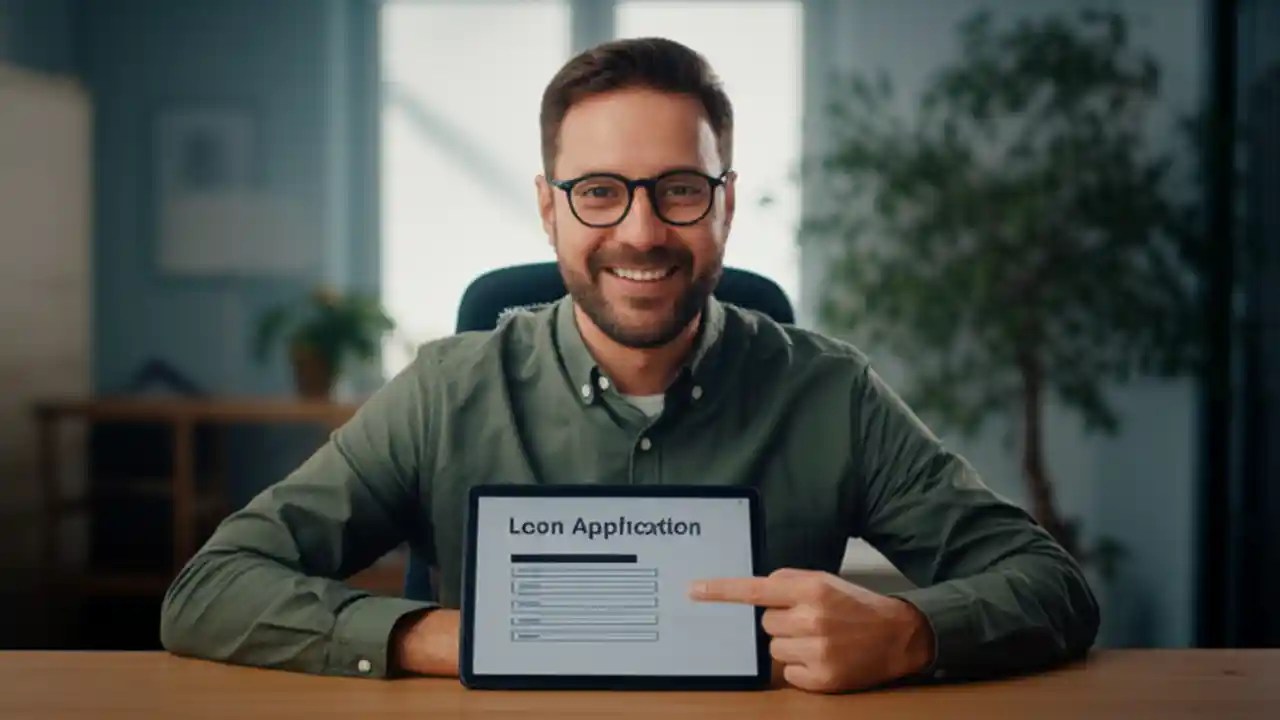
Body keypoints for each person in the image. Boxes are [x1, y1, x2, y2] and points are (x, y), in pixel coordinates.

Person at [160, 37, 1099, 694]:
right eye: (600, 193)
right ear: (549, 208)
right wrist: (444, 639)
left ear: (724, 205)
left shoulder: (832, 392)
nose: (641, 232)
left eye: (679, 191)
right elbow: (211, 589)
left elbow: (1050, 583)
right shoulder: (448, 391)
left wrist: (909, 631)